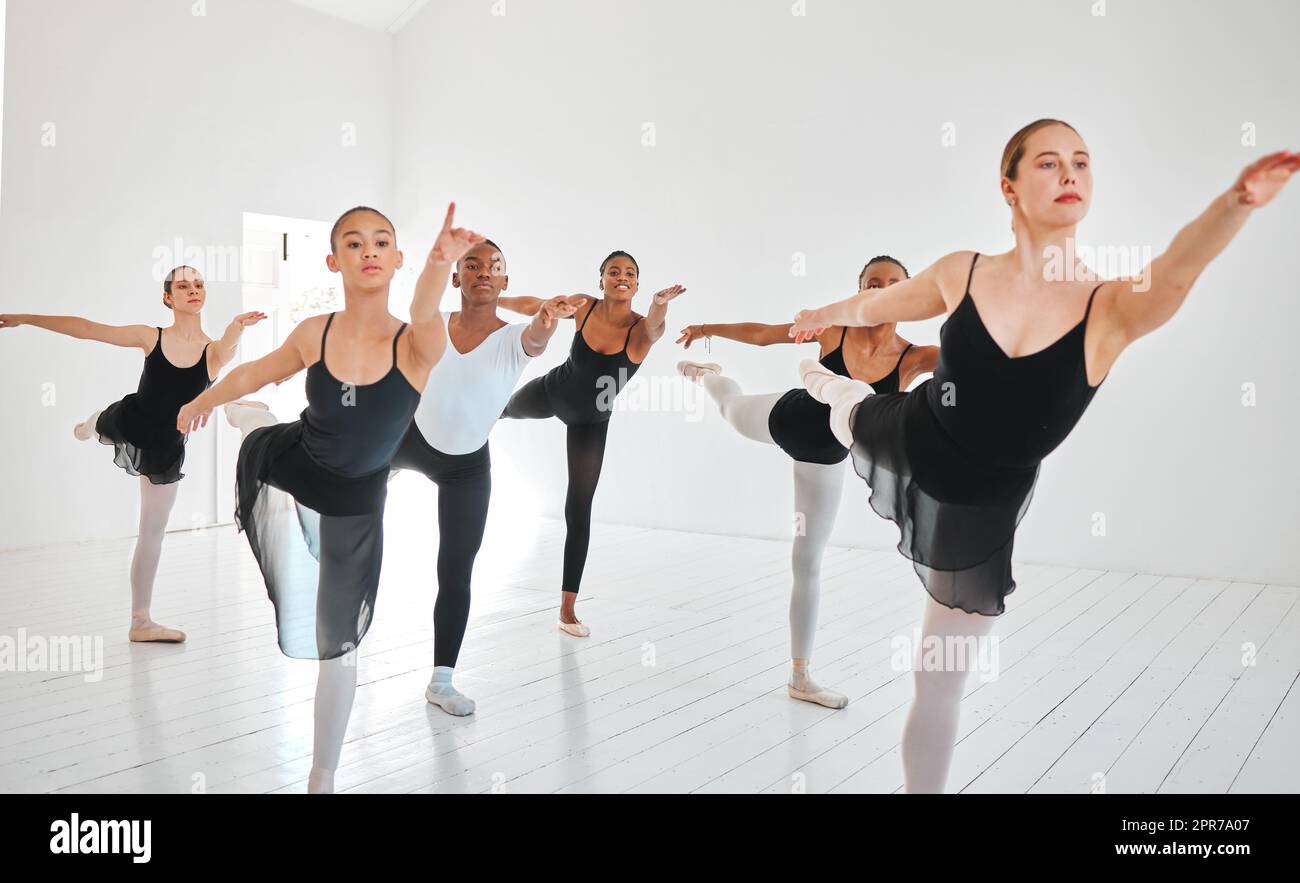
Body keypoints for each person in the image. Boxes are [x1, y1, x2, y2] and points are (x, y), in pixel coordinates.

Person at [790, 120, 1298, 792]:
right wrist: (822, 313)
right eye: (1050, 163)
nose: (1069, 175)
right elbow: (878, 301)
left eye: (1082, 163)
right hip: (912, 430)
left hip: (981, 508)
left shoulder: (1111, 308)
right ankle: (820, 378)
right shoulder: (962, 271)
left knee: (936, 678)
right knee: (846, 404)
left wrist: (1237, 201)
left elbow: (1180, 265)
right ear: (1009, 185)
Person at [177, 203, 484, 793]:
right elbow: (255, 369)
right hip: (301, 455)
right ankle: (249, 422)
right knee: (255, 426)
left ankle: (323, 776)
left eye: (381, 242)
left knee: (336, 644)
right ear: (333, 260)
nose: (368, 251)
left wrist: (440, 260)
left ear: (396, 258)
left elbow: (424, 306)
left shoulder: (419, 342)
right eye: (353, 243)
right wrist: (200, 403)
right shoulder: (314, 331)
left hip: (355, 502)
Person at [676, 255, 936, 708]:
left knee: (807, 561)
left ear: (908, 294)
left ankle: (800, 677)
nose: (881, 290)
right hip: (787, 417)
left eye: (894, 285)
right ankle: (706, 376)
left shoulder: (914, 358)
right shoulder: (832, 329)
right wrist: (707, 329)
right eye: (872, 283)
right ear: (858, 290)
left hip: (826, 457)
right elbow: (765, 334)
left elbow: (982, 359)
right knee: (731, 408)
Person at [0, 268, 264, 642]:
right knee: (103, 424)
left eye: (199, 285)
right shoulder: (150, 336)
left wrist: (239, 325)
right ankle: (93, 424)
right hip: (129, 419)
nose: (193, 291)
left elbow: (229, 347)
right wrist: (28, 319)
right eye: (183, 286)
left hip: (165, 448)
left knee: (151, 533)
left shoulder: (213, 352)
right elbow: (89, 329)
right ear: (168, 298)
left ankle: (141, 622)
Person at [389, 239, 579, 715]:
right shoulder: (433, 324)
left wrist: (546, 319)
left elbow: (537, 338)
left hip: (465, 467)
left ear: (506, 282)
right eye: (471, 265)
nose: (483, 272)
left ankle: (442, 680)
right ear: (457, 278)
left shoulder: (513, 339)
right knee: (342, 470)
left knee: (455, 570)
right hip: (408, 439)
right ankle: (264, 430)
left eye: (495, 266)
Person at [498, 253, 686, 636]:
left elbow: (654, 328)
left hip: (589, 423)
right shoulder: (584, 306)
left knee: (578, 510)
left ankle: (567, 612)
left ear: (636, 284)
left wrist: (659, 304)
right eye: (613, 272)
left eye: (630, 273)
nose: (621, 277)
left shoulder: (638, 329)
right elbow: (538, 306)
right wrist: (488, 299)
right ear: (601, 280)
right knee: (498, 411)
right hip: (552, 392)